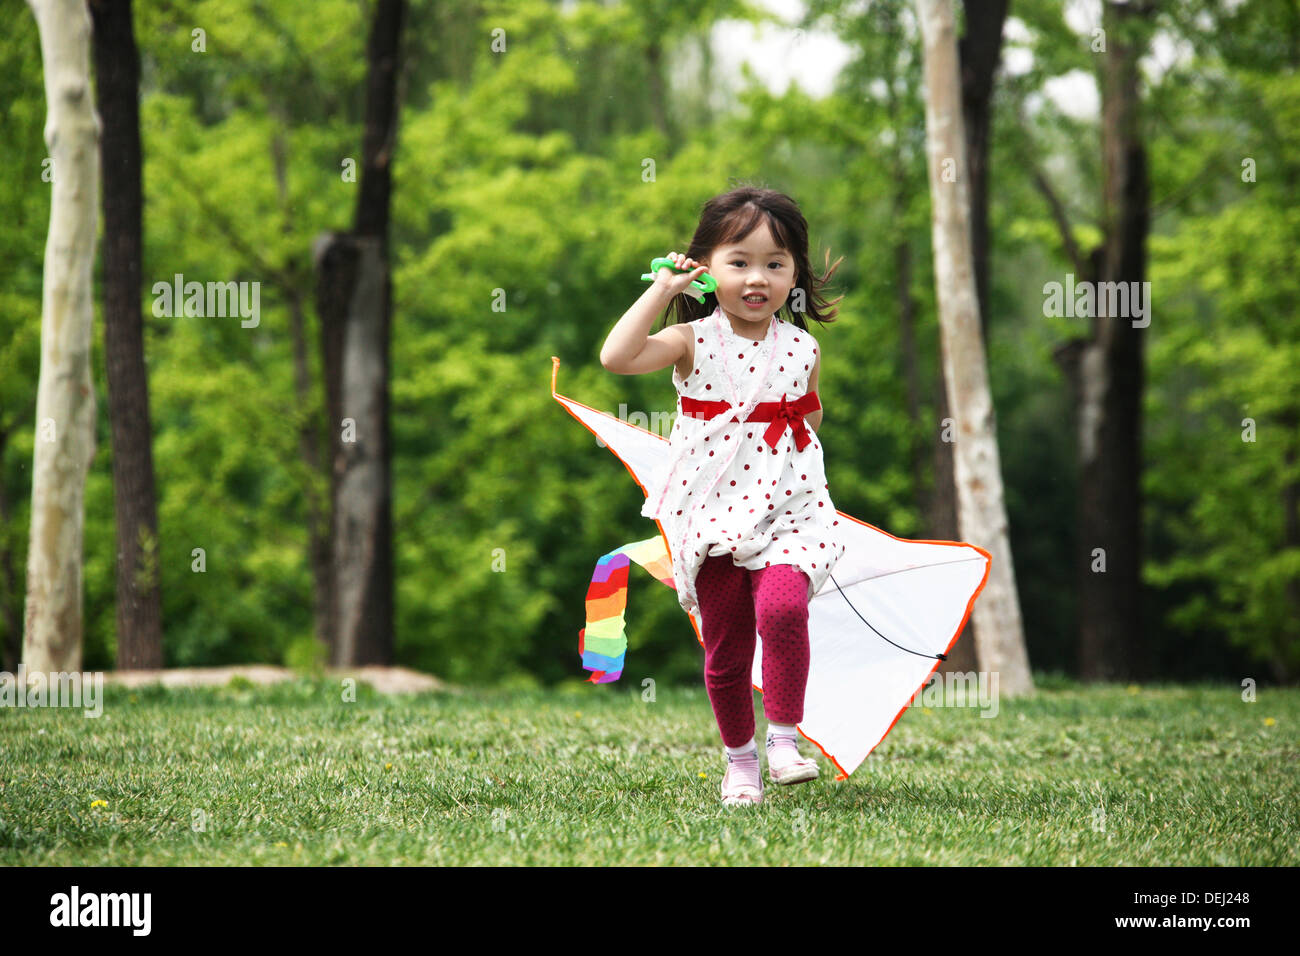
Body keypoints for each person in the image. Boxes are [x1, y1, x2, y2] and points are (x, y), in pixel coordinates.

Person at [599, 186, 846, 806]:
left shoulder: (803, 348)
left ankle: (784, 740)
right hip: (711, 511)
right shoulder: (693, 341)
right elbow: (616, 357)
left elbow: (809, 419)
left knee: (785, 609)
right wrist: (664, 291)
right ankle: (741, 762)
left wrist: (786, 460)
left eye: (775, 263)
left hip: (791, 510)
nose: (756, 278)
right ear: (707, 267)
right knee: (727, 649)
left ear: (796, 274)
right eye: (738, 262)